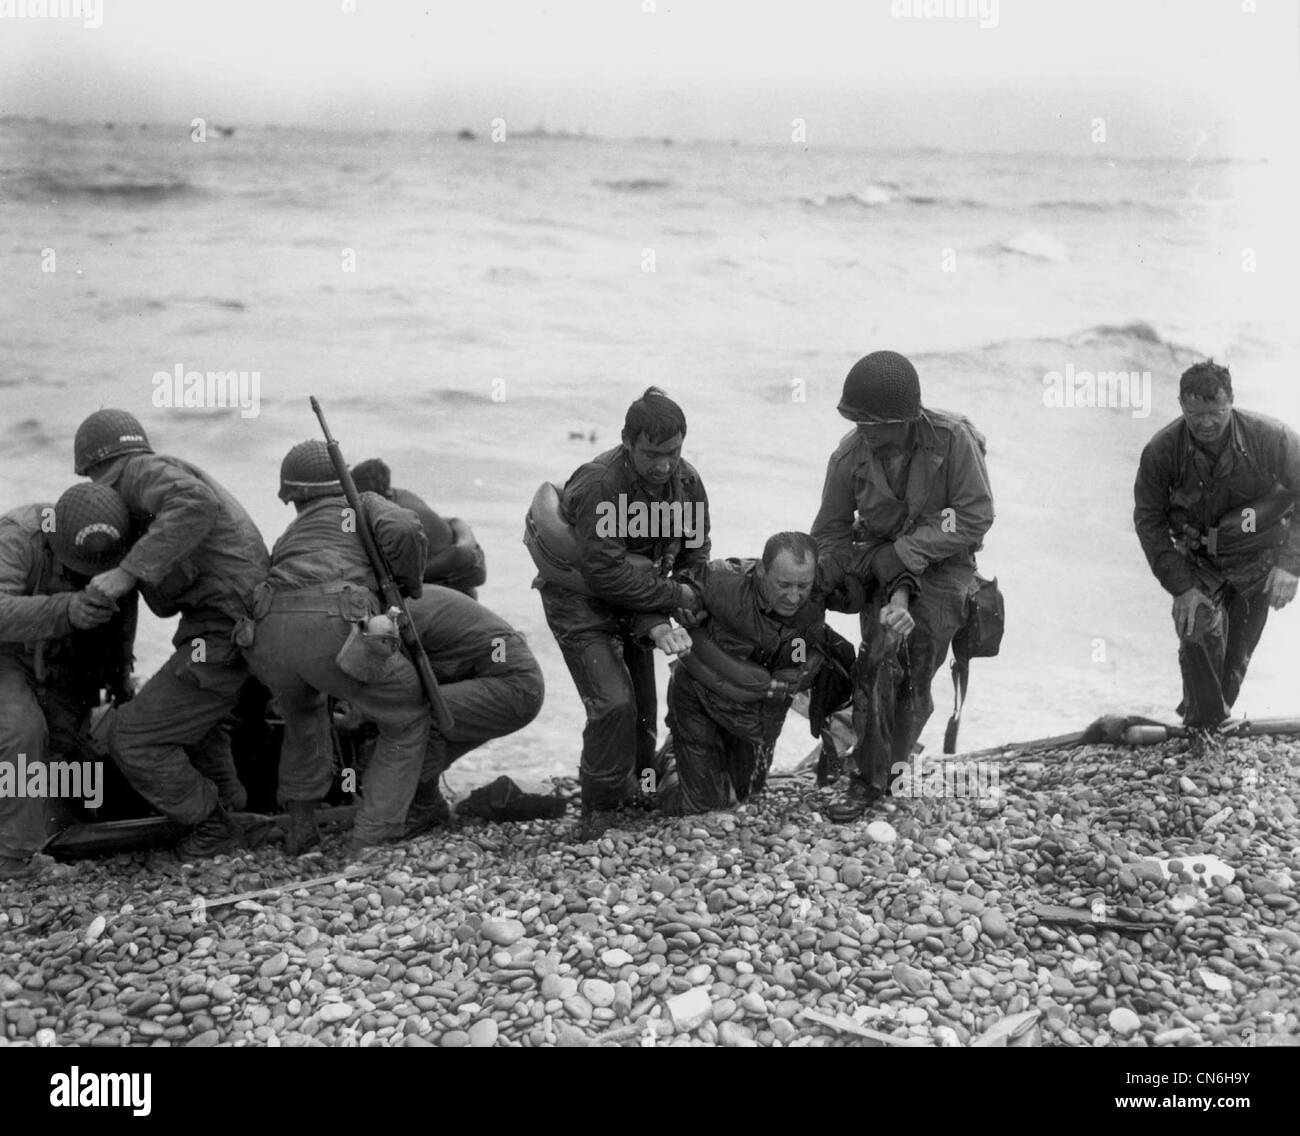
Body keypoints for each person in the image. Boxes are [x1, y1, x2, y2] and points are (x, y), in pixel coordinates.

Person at [74, 410, 268, 857]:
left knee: (133, 738)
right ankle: (231, 812)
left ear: (94, 469)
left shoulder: (140, 472)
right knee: (197, 724)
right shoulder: (150, 481)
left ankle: (212, 826)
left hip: (224, 630)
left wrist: (125, 573)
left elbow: (194, 503)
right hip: (225, 627)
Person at [811, 351, 994, 821]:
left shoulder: (953, 442)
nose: (864, 430)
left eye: (874, 422)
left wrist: (907, 556)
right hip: (878, 558)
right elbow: (828, 532)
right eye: (857, 420)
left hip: (944, 567)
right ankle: (869, 762)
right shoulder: (849, 456)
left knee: (914, 665)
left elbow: (975, 516)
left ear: (907, 419)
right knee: (876, 660)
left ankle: (880, 771)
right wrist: (831, 578)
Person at [535, 387, 709, 839]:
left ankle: (634, 785)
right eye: (652, 454)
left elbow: (696, 551)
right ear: (627, 442)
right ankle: (598, 809)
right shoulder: (600, 485)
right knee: (612, 703)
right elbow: (605, 574)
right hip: (580, 600)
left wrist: (689, 592)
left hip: (643, 597)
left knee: (644, 710)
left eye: (673, 452)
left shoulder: (687, 483)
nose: (664, 465)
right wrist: (671, 599)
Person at [243, 440, 431, 857]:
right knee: (408, 713)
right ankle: (372, 839)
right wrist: (406, 585)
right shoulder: (360, 503)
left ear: (292, 496)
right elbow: (404, 527)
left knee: (303, 718)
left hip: (267, 633)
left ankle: (301, 830)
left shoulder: (292, 532)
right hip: (332, 624)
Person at [1133, 359, 1299, 749]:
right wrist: (1181, 587)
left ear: (1232, 401)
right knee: (1197, 633)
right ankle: (1203, 730)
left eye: (1215, 413)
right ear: (1180, 405)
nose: (1205, 423)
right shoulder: (1161, 451)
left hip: (1258, 559)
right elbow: (1149, 522)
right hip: (1198, 563)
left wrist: (1290, 566)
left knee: (1234, 664)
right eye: (1195, 414)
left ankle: (1204, 727)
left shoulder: (1271, 438)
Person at [0, 484, 137, 880]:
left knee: (72, 751)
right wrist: (68, 609)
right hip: (6, 655)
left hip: (53, 659)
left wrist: (118, 676)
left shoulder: (113, 544)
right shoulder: (16, 538)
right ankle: (11, 860)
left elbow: (122, 609)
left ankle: (35, 825)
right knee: (20, 732)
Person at [656, 532, 844, 815]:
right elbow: (668, 593)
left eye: (802, 585)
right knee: (700, 805)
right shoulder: (721, 581)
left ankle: (706, 759)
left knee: (745, 794)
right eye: (783, 585)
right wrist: (682, 615)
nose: (794, 596)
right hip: (700, 699)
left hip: (753, 712)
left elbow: (803, 643)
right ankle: (667, 759)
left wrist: (797, 669)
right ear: (761, 571)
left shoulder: (814, 599)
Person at [400, 586, 545, 836]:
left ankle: (424, 807)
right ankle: (420, 799)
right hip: (503, 677)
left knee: (419, 716)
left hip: (514, 685)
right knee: (417, 722)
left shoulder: (402, 615)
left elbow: (393, 692)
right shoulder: (406, 602)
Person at [351, 459, 487, 597]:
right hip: (453, 561)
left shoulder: (396, 517)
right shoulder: (399, 495)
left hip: (450, 574)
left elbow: (400, 572)